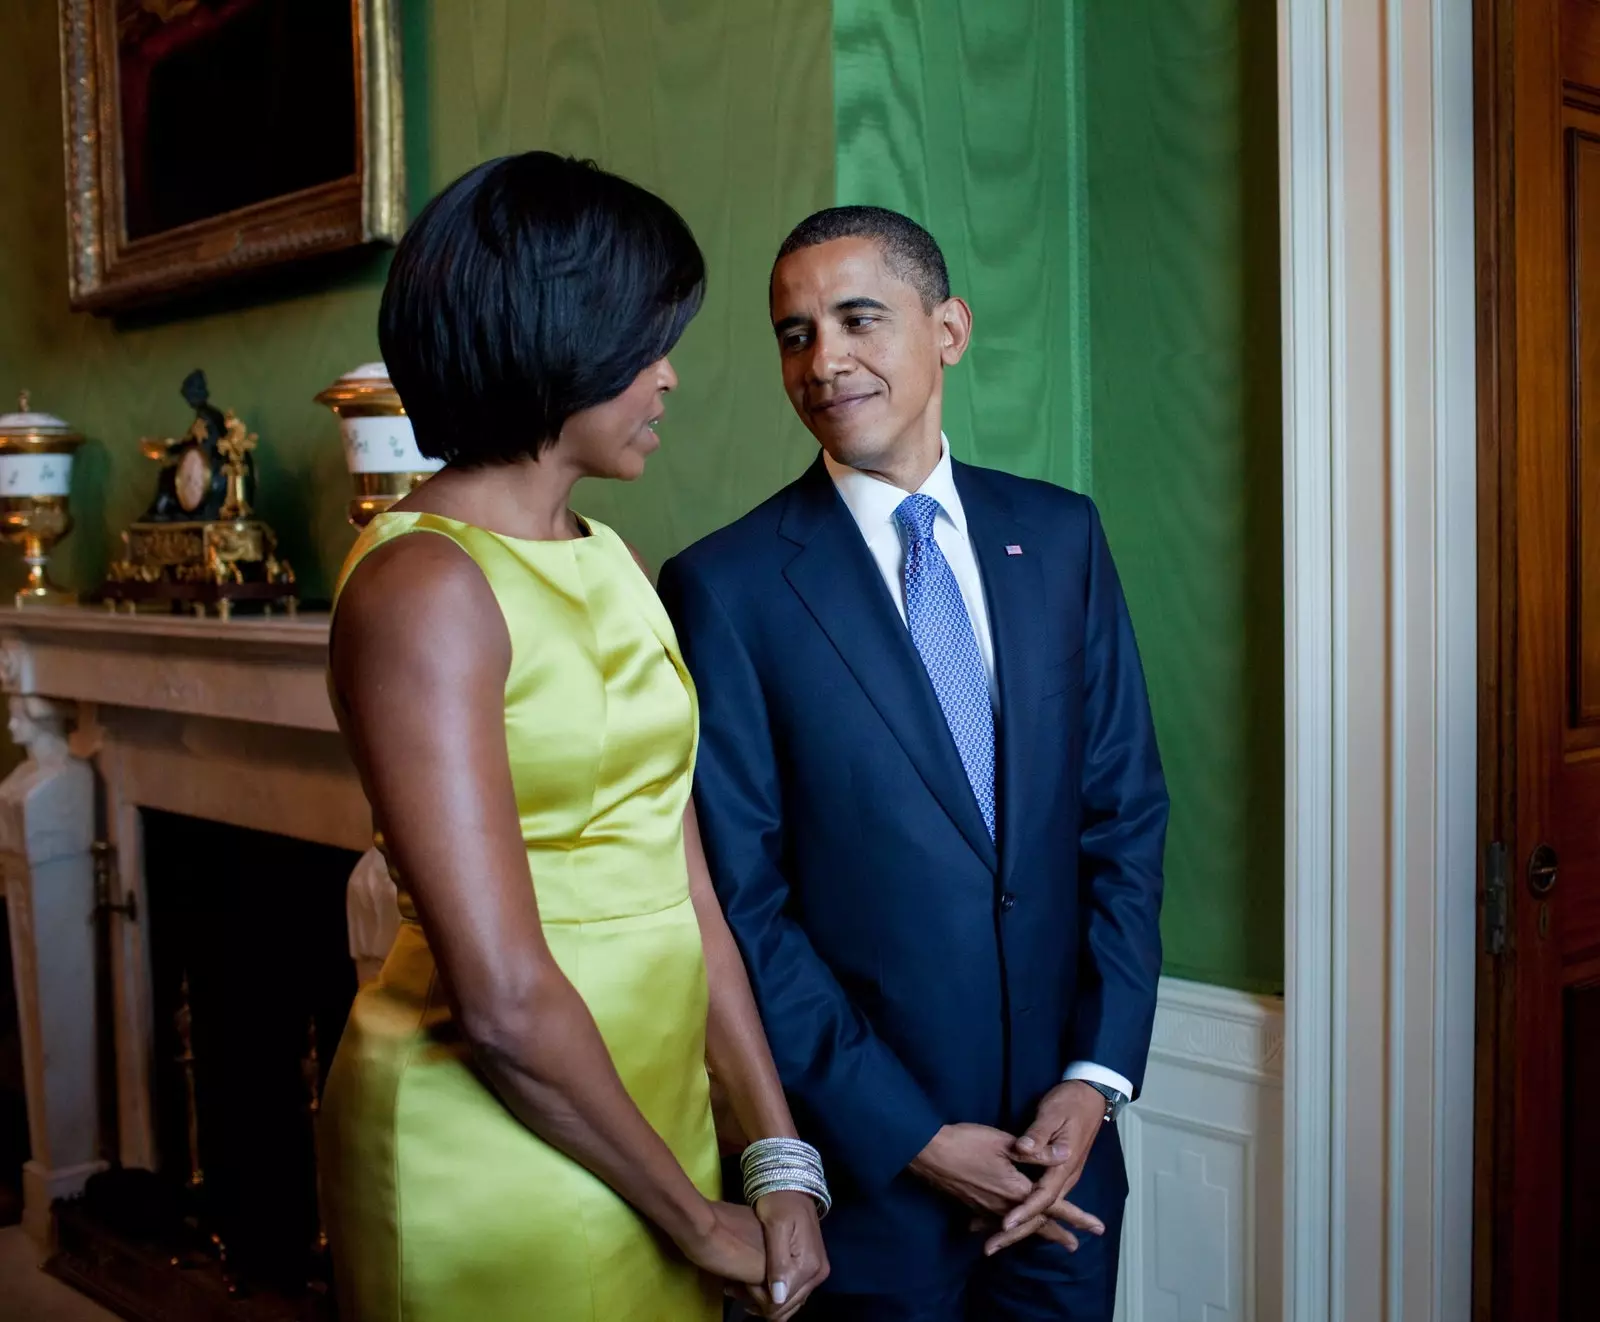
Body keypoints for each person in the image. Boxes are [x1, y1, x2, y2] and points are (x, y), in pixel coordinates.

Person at [319, 152, 828, 1322]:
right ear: (560, 340)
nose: (670, 377)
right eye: (646, 343)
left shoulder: (612, 558)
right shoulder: (423, 589)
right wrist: (704, 1224)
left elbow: (683, 880)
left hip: (659, 1123)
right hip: (493, 1155)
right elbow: (497, 996)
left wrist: (773, 1156)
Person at [657, 206, 1167, 1321]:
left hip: (1062, 1170)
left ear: (947, 329)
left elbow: (1122, 817)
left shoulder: (1063, 537)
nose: (822, 358)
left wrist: (1094, 1081)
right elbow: (745, 904)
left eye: (856, 318)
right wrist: (916, 1137)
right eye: (793, 333)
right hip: (869, 1188)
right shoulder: (726, 588)